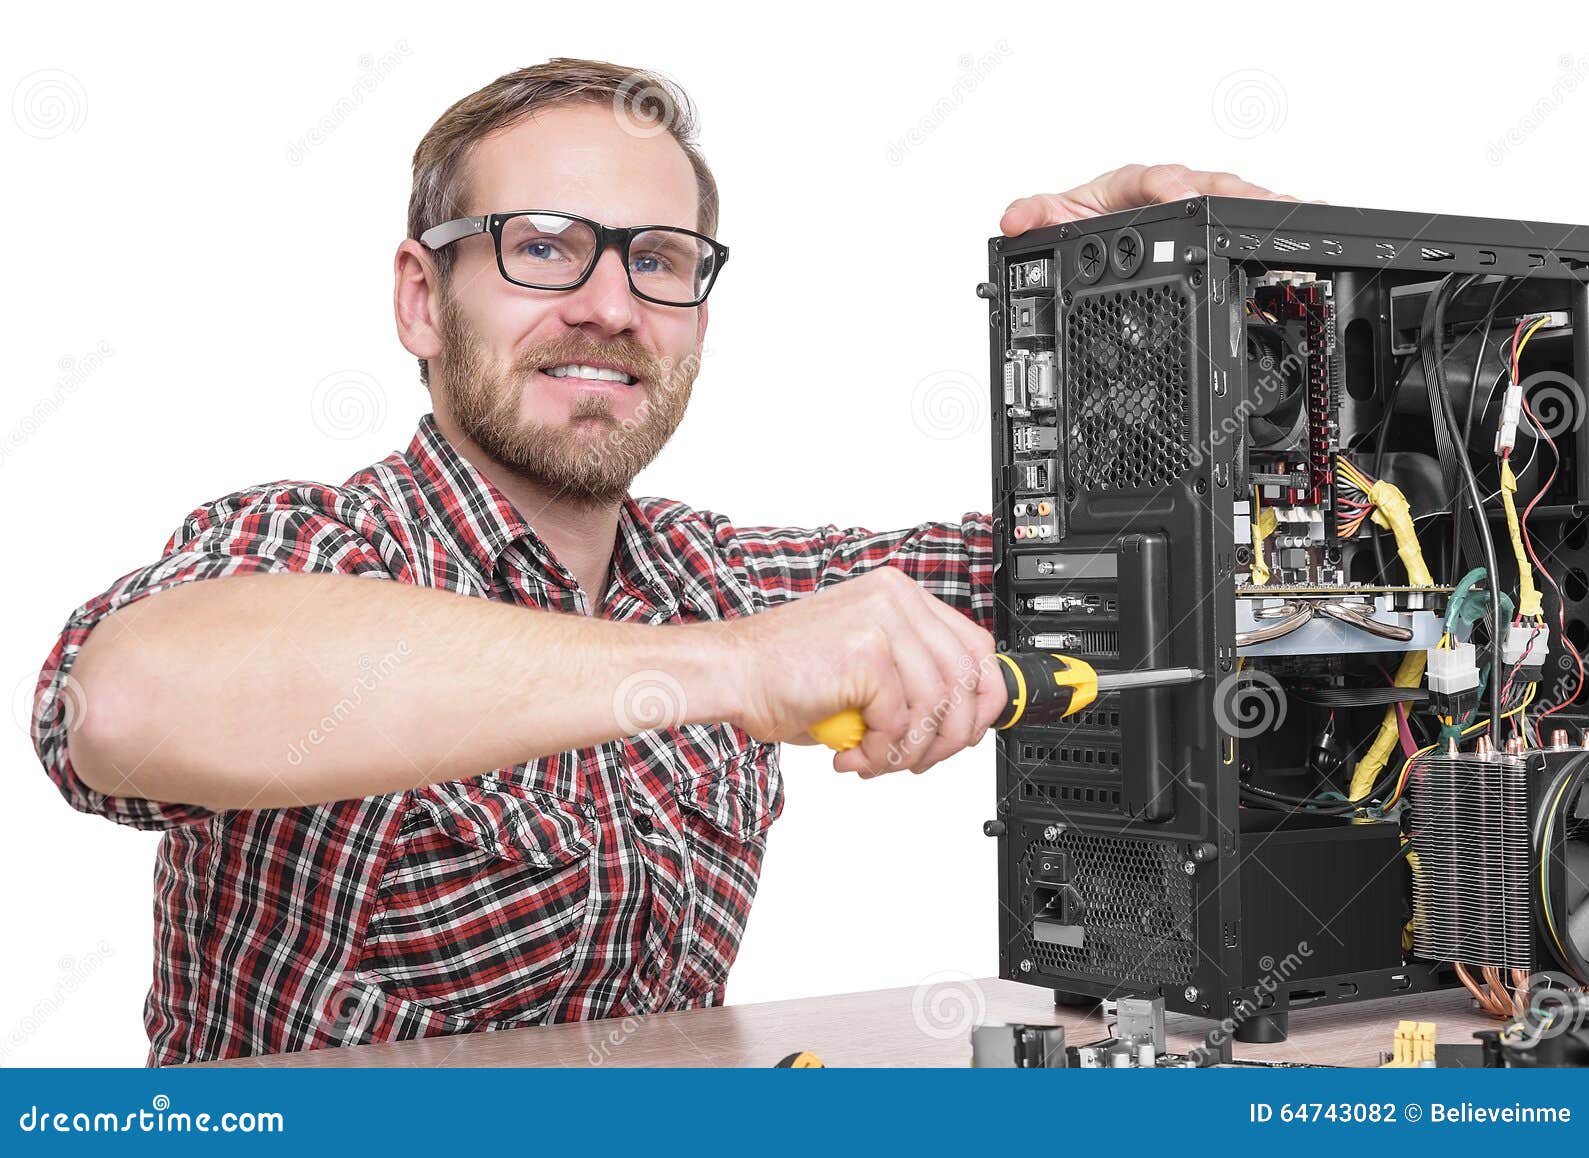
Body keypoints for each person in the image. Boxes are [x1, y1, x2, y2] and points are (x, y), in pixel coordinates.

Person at [29, 57, 1295, 1066]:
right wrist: (729, 666)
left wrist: (1204, 310)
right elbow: (118, 702)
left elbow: (1147, 569)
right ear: (423, 297)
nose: (609, 304)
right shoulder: (316, 551)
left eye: (659, 259)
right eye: (541, 245)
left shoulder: (721, 579)